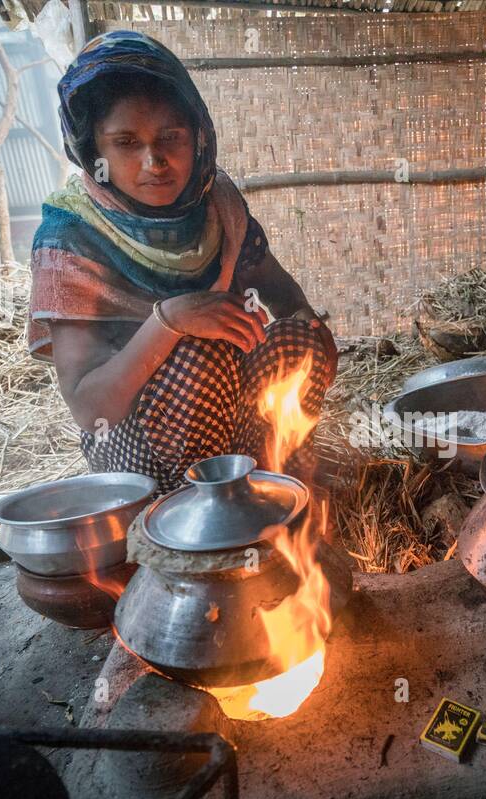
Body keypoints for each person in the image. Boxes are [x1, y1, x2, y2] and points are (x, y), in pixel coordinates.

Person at [29, 31, 336, 493]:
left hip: (233, 422)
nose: (154, 161)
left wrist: (312, 326)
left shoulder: (218, 207)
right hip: (139, 450)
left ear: (198, 136)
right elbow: (90, 409)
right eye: (126, 142)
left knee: (298, 341)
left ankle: (269, 484)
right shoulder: (72, 238)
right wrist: (169, 322)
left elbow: (280, 291)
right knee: (197, 352)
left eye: (170, 136)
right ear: (95, 151)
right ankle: (187, 519)